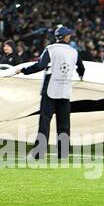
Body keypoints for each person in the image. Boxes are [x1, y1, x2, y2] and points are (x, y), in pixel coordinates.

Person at [18, 26, 84, 161]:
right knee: (64, 124)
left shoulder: (50, 49)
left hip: (50, 89)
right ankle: (63, 153)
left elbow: (40, 66)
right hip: (65, 91)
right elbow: (81, 68)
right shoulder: (73, 51)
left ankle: (39, 152)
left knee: (44, 122)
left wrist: (24, 70)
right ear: (66, 37)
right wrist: (80, 76)